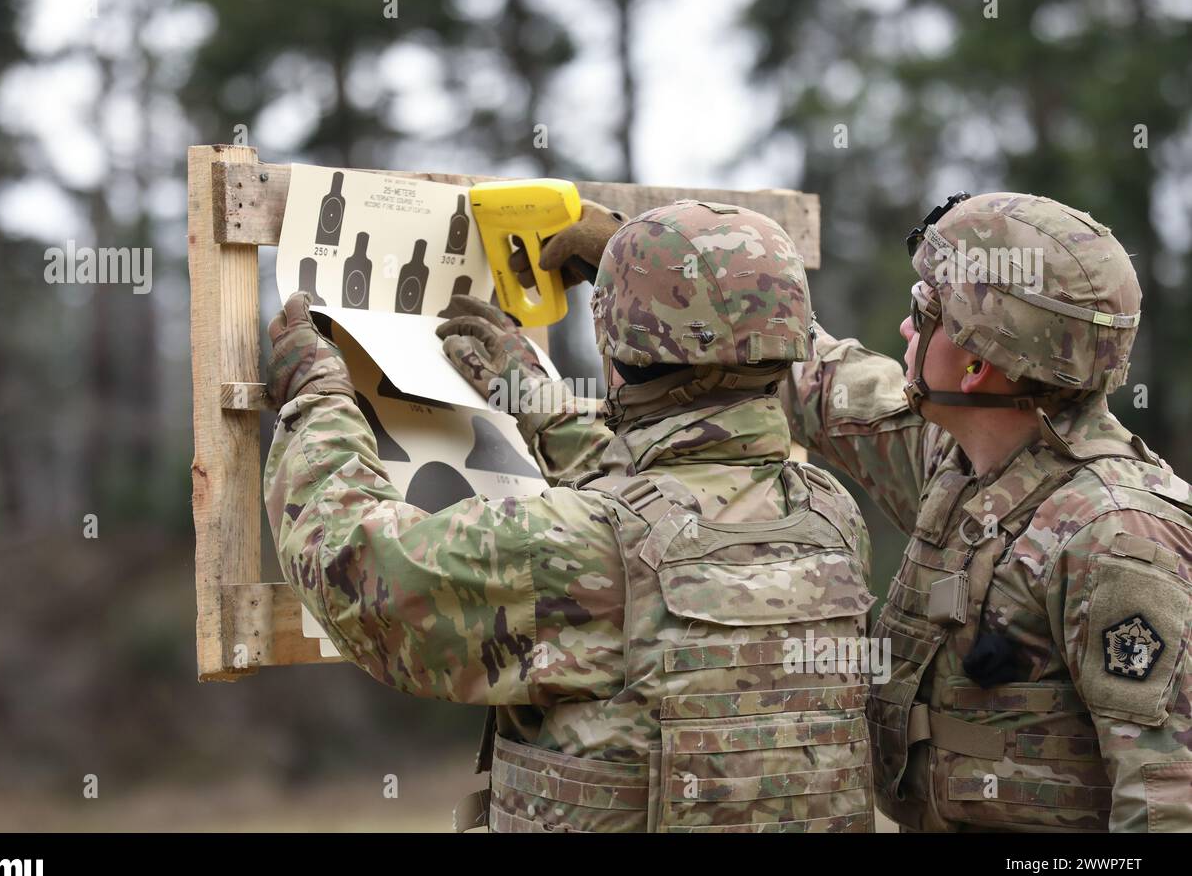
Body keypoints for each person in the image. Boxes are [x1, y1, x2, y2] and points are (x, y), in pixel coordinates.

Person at [535, 191, 1192, 832]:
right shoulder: (961, 458)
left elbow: (1169, 798)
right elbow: (813, 376)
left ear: (973, 364)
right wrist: (656, 266)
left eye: (925, 309)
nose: (907, 327)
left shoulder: (1120, 537)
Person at [264, 200, 878, 832]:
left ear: (619, 349)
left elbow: (354, 567)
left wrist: (317, 400)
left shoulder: (577, 548)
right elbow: (674, 489)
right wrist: (533, 396)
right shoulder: (831, 516)